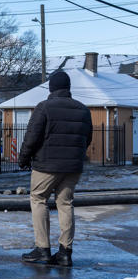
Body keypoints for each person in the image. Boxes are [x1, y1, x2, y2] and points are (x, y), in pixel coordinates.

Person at [18, 70, 93, 267]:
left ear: (51, 87)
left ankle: (42, 249)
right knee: (65, 204)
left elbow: (32, 137)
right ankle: (65, 252)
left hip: (46, 166)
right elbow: (87, 139)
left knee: (38, 199)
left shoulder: (44, 108)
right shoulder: (83, 110)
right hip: (73, 166)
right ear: (68, 88)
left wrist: (23, 158)